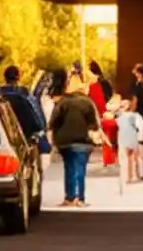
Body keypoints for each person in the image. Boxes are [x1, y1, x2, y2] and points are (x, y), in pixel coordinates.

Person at [51, 72, 99, 207]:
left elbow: (54, 121)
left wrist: (54, 137)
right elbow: (93, 124)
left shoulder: (62, 103)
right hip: (83, 141)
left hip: (64, 141)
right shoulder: (88, 103)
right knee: (80, 169)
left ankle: (69, 197)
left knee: (69, 168)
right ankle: (80, 198)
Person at [111, 96, 143, 183]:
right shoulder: (135, 116)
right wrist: (141, 138)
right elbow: (140, 127)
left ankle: (127, 176)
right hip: (132, 138)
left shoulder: (118, 118)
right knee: (133, 158)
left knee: (125, 159)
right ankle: (133, 176)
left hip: (123, 139)